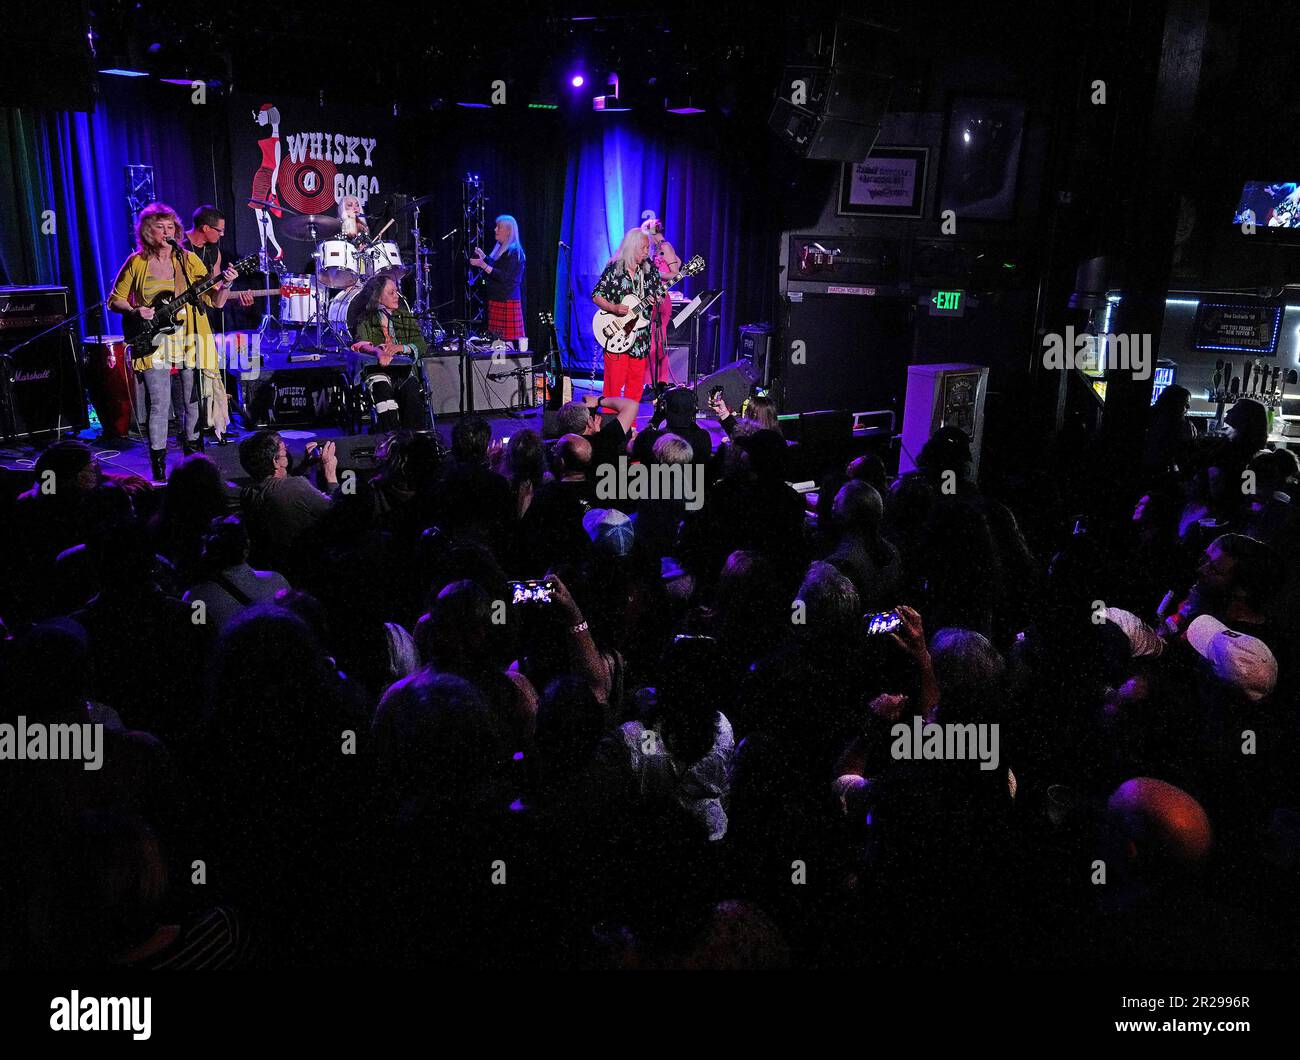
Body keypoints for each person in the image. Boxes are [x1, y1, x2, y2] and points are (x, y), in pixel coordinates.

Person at [109, 202, 241, 483]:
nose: (167, 232)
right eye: (160, 227)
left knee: (192, 403)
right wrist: (135, 310)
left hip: (190, 340)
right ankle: (158, 467)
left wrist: (226, 284)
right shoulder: (136, 262)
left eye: (171, 227)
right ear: (147, 231)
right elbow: (114, 299)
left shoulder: (188, 260)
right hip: (154, 341)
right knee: (159, 403)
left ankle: (192, 461)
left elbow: (214, 302)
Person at [183, 205, 255, 446]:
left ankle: (209, 425)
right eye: (219, 230)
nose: (223, 235)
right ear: (205, 228)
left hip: (201, 320)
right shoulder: (179, 248)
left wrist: (227, 284)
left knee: (208, 375)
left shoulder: (215, 253)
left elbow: (217, 302)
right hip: (177, 325)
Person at [592, 227, 667, 404]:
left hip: (641, 338)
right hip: (616, 335)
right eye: (643, 247)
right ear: (632, 246)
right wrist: (614, 307)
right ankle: (611, 426)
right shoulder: (615, 269)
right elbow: (596, 295)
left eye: (648, 247)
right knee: (613, 388)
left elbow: (660, 297)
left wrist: (658, 299)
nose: (646, 251)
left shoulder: (650, 272)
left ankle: (630, 426)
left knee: (635, 388)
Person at [348, 275, 428, 432]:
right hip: (379, 371)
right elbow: (361, 344)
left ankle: (415, 439)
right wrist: (378, 352)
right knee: (382, 390)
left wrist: (401, 348)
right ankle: (391, 439)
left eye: (396, 292)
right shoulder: (365, 319)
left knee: (411, 390)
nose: (396, 296)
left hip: (403, 372)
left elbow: (421, 345)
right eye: (391, 293)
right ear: (377, 297)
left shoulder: (405, 317)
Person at [640, 211, 682, 397]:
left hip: (662, 300)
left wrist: (656, 275)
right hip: (651, 298)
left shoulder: (665, 247)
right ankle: (651, 383)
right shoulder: (656, 249)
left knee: (657, 343)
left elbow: (676, 273)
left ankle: (659, 382)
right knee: (650, 342)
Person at [470, 215, 526, 346]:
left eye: (498, 227)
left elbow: (503, 276)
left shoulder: (514, 252)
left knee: (506, 343)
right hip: (498, 299)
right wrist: (484, 258)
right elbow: (496, 266)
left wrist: (482, 265)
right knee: (498, 342)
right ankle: (500, 366)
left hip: (506, 300)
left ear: (508, 231)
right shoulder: (503, 249)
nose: (495, 230)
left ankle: (508, 366)